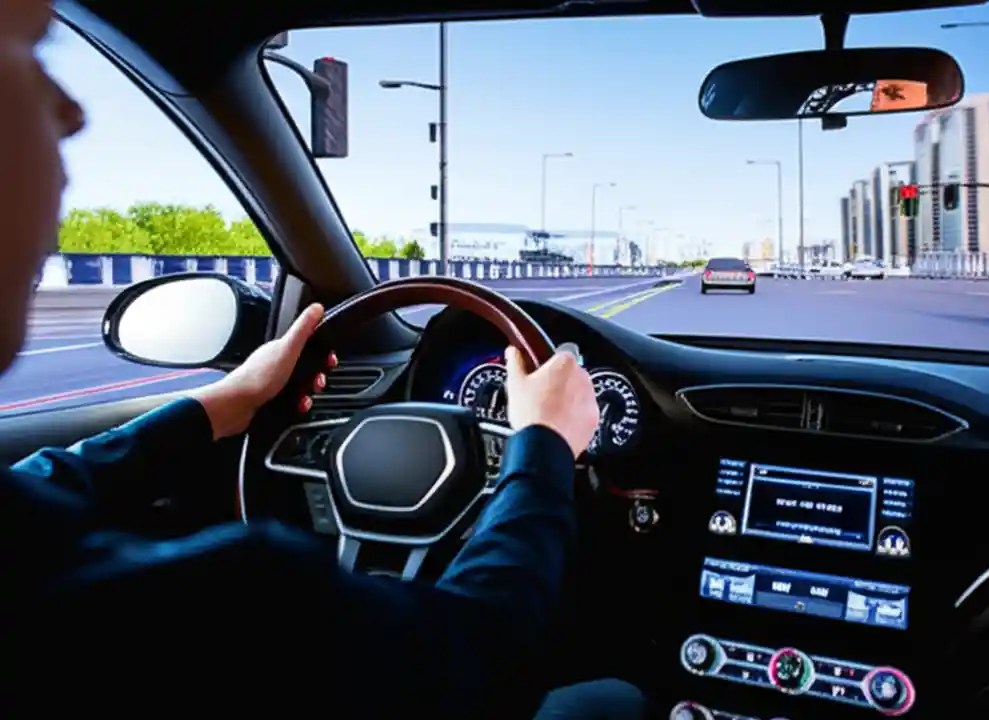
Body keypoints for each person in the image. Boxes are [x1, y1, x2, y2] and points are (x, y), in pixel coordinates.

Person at [0, 2, 645, 716]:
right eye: (31, 50)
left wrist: (219, 404)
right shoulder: (229, 608)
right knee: (613, 701)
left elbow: (36, 487)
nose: (71, 112)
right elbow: (479, 652)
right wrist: (545, 447)